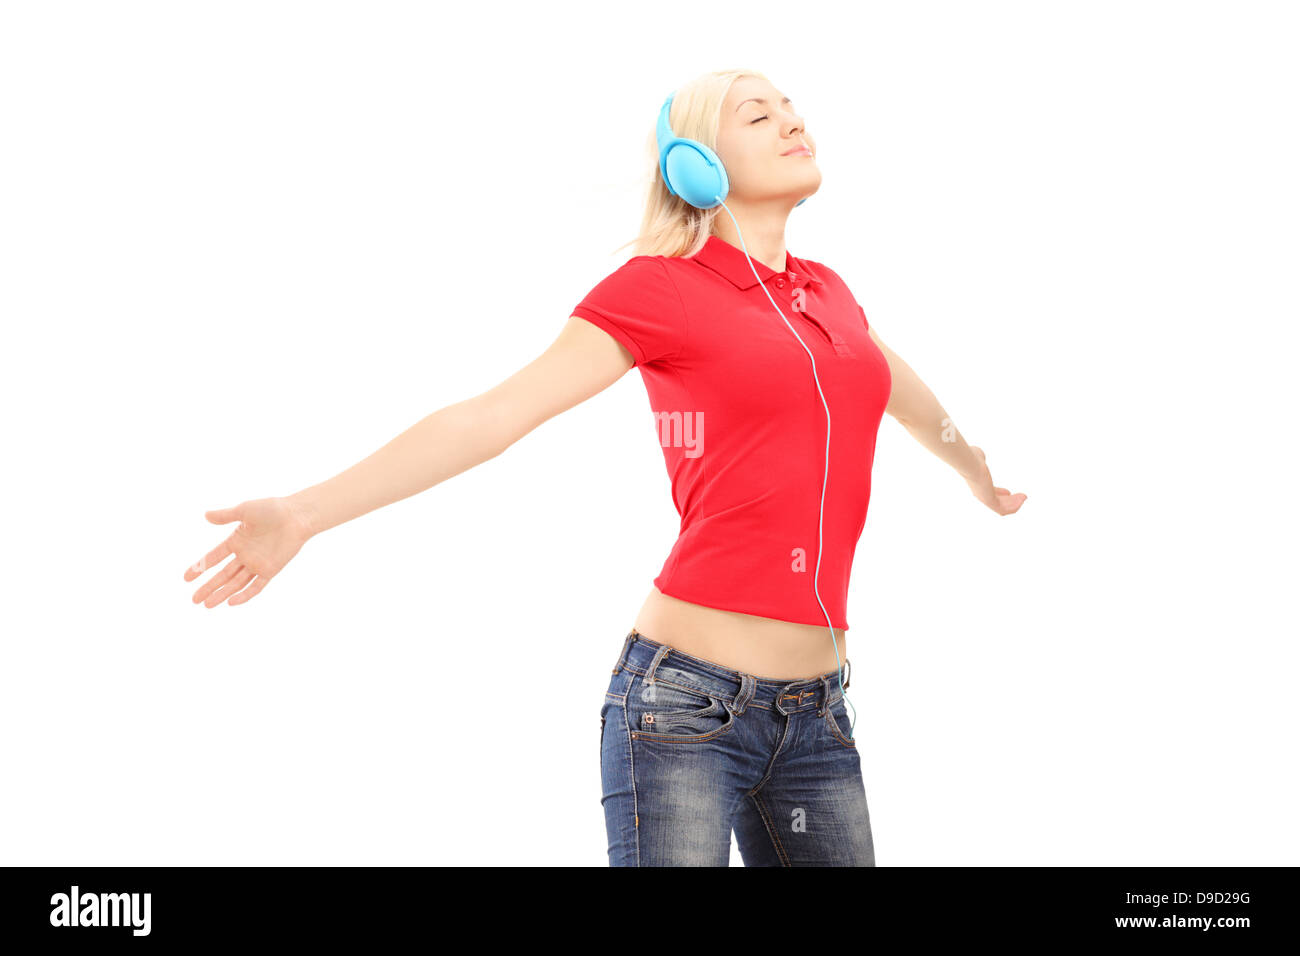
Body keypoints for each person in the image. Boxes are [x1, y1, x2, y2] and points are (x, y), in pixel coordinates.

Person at [183, 68, 1027, 866]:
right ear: (694, 164)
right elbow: (491, 417)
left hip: (818, 715)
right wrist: (304, 512)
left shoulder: (826, 293)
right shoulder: (660, 288)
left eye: (791, 105)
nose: (792, 120)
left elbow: (901, 393)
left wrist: (973, 469)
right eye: (757, 114)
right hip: (685, 709)